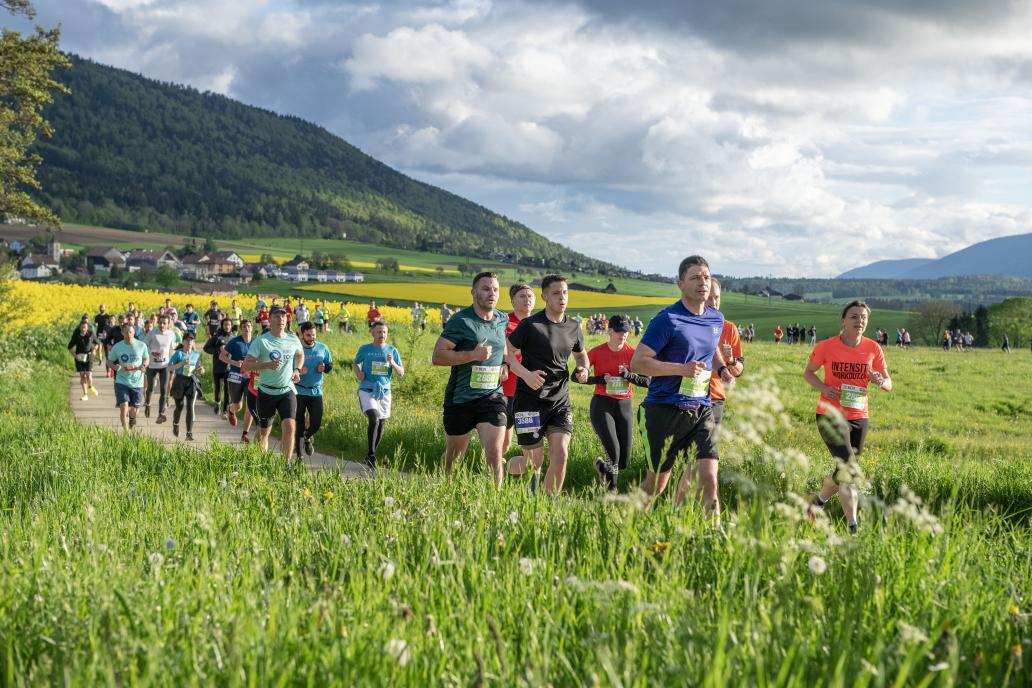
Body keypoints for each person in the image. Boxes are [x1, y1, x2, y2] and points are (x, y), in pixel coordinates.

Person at [629, 255, 733, 522]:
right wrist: (681, 369)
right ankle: (627, 526)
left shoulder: (716, 319)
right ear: (680, 284)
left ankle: (715, 538)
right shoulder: (668, 319)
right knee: (657, 484)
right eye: (695, 278)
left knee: (709, 477)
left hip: (701, 408)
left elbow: (710, 352)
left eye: (707, 277)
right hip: (664, 409)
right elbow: (638, 362)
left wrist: (722, 369)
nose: (703, 283)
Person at [804, 300, 891, 533]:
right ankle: (853, 527)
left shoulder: (873, 348)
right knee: (849, 470)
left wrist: (881, 382)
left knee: (846, 469)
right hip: (830, 415)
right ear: (843, 320)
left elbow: (888, 382)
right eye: (854, 316)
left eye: (863, 317)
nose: (859, 321)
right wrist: (823, 388)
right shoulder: (826, 346)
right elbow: (808, 373)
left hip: (859, 416)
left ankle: (817, 503)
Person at [504, 274, 590, 495]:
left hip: (559, 401)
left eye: (565, 292)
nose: (562, 297)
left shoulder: (573, 326)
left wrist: (583, 368)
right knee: (533, 463)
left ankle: (546, 506)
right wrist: (525, 374)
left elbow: (581, 355)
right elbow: (508, 352)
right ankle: (501, 468)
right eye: (556, 293)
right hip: (529, 402)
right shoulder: (530, 325)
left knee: (560, 454)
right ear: (544, 297)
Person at [432, 272, 510, 486]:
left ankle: (495, 504)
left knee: (494, 454)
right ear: (474, 292)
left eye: (495, 289)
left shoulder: (502, 319)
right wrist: (472, 355)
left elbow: (503, 346)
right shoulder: (461, 321)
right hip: (461, 399)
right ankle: (445, 491)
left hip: (492, 397)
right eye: (486, 289)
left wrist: (505, 363)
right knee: (454, 459)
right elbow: (437, 356)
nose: (491, 293)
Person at [578, 314, 649, 490]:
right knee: (614, 453)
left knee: (624, 461)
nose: (623, 334)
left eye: (626, 331)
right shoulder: (597, 351)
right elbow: (577, 377)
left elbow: (648, 381)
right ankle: (611, 492)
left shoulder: (632, 354)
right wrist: (600, 379)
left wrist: (628, 375)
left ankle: (602, 467)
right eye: (619, 331)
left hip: (624, 406)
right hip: (602, 404)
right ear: (610, 330)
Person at [242, 305, 305, 467]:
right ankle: (260, 463)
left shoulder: (293, 338)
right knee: (264, 432)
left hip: (286, 390)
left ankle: (286, 466)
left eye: (283, 316)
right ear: (269, 320)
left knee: (290, 425)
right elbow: (247, 365)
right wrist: (267, 365)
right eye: (277, 316)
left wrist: (297, 369)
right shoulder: (261, 341)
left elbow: (300, 354)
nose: (281, 319)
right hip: (266, 392)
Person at [354, 321, 404, 467]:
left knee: (381, 423)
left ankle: (370, 455)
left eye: (384, 332)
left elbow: (401, 372)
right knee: (374, 418)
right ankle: (371, 455)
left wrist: (393, 362)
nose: (382, 335)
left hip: (384, 392)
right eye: (379, 332)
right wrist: (359, 373)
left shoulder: (392, 350)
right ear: (373, 333)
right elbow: (355, 363)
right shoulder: (365, 349)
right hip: (367, 389)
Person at [500, 283, 534, 469]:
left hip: (530, 394)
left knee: (531, 446)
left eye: (530, 295)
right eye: (522, 296)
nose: (527, 299)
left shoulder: (539, 323)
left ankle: (516, 474)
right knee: (504, 445)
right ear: (512, 300)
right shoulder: (504, 322)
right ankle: (492, 472)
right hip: (507, 391)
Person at [706, 278, 744, 431]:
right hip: (689, 397)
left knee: (710, 450)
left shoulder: (729, 328)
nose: (714, 302)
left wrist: (732, 361)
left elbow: (740, 370)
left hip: (715, 397)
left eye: (717, 297)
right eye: (709, 297)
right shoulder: (690, 324)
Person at [295, 321, 334, 457]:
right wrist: (299, 371)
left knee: (316, 423)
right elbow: (287, 368)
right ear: (302, 335)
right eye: (308, 335)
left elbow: (330, 365)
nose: (312, 337)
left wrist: (325, 368)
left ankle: (307, 436)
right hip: (299, 390)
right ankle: (299, 458)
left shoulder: (323, 348)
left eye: (314, 335)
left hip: (316, 391)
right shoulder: (297, 349)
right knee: (299, 425)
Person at [106, 321, 149, 431]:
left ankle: (131, 418)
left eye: (130, 332)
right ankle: (126, 433)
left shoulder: (141, 345)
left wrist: (144, 365)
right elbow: (109, 361)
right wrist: (114, 367)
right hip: (122, 380)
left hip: (137, 382)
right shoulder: (117, 347)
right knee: (124, 407)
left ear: (134, 332)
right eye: (126, 332)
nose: (129, 334)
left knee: (134, 411)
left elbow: (146, 358)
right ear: (122, 333)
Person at [220, 319, 255, 440]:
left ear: (252, 328)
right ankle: (231, 410)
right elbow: (221, 356)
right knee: (238, 406)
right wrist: (234, 362)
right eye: (244, 326)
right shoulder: (234, 342)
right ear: (241, 328)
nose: (247, 328)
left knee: (250, 405)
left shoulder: (256, 342)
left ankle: (245, 433)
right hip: (235, 376)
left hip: (251, 377)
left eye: (249, 326)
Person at [168, 332, 205, 441]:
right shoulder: (178, 354)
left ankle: (189, 433)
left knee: (190, 407)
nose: (189, 342)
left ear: (193, 342)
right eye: (187, 340)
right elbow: (169, 368)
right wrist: (181, 363)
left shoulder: (196, 354)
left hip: (191, 381)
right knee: (179, 407)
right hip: (179, 381)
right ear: (183, 342)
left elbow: (199, 368)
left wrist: (201, 370)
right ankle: (176, 423)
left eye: (191, 340)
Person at [143, 314, 177, 423]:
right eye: (161, 322)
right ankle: (148, 403)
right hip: (152, 365)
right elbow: (144, 346)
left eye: (164, 323)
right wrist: (151, 352)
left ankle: (160, 414)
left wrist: (174, 362)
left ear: (168, 324)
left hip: (164, 366)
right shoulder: (152, 333)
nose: (162, 325)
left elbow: (172, 350)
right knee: (150, 389)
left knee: (163, 390)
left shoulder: (171, 334)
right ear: (158, 323)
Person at [204, 317, 235, 416]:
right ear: (222, 326)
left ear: (231, 326)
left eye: (229, 325)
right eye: (225, 325)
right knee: (218, 388)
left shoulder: (234, 338)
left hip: (229, 367)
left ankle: (225, 410)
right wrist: (217, 351)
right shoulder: (217, 337)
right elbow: (206, 348)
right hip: (217, 366)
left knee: (227, 389)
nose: (227, 327)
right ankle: (217, 403)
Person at [68, 319, 98, 401]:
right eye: (81, 327)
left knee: (88, 374)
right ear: (79, 327)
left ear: (87, 327)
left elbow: (97, 343)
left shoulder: (91, 334)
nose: (83, 329)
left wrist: (94, 350)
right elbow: (69, 347)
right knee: (82, 375)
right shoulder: (76, 335)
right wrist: (75, 356)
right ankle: (85, 394)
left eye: (84, 327)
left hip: (89, 356)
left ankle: (91, 386)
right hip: (79, 357)